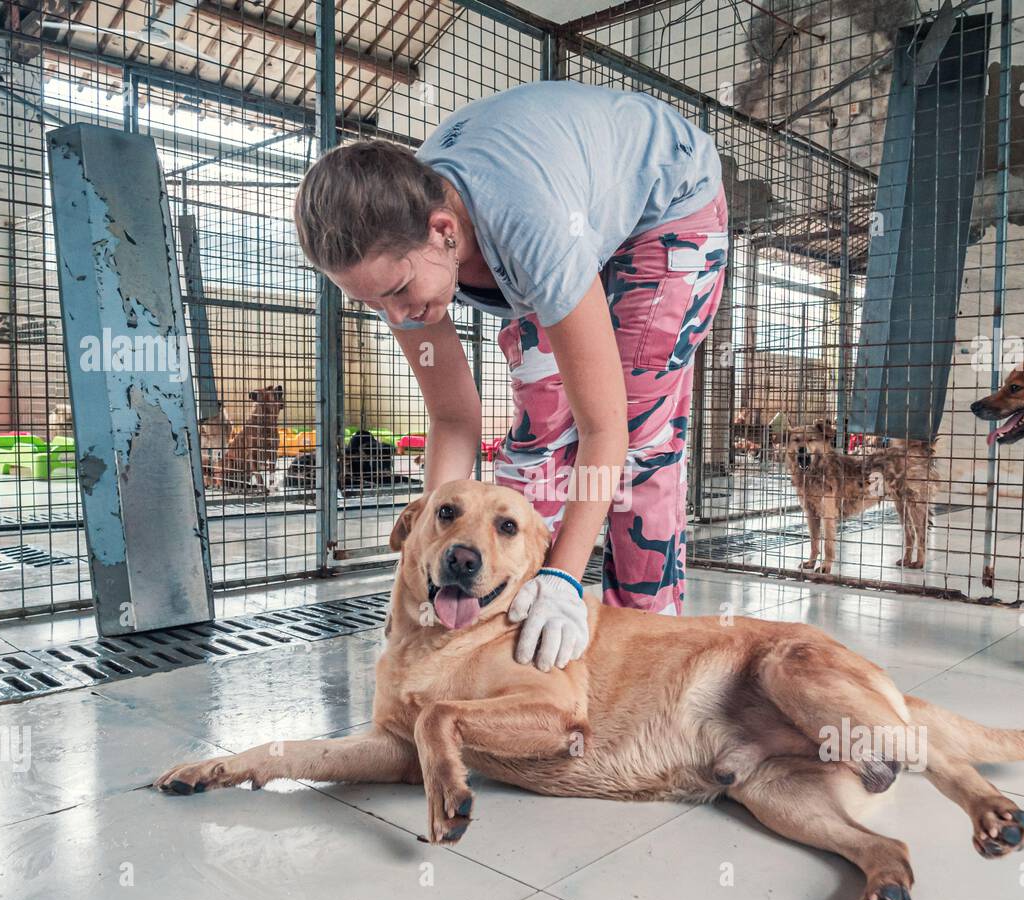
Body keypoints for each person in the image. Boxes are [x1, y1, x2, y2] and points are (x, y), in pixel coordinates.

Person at [293, 81, 728, 672]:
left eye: (397, 293)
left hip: (666, 207)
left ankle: (648, 651)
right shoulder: (395, 247)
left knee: (639, 437)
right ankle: (506, 633)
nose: (398, 319)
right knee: (537, 434)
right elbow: (452, 417)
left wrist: (563, 582)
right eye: (374, 303)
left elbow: (604, 431)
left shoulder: (529, 227)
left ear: (445, 231)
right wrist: (424, 558)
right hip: (560, 216)